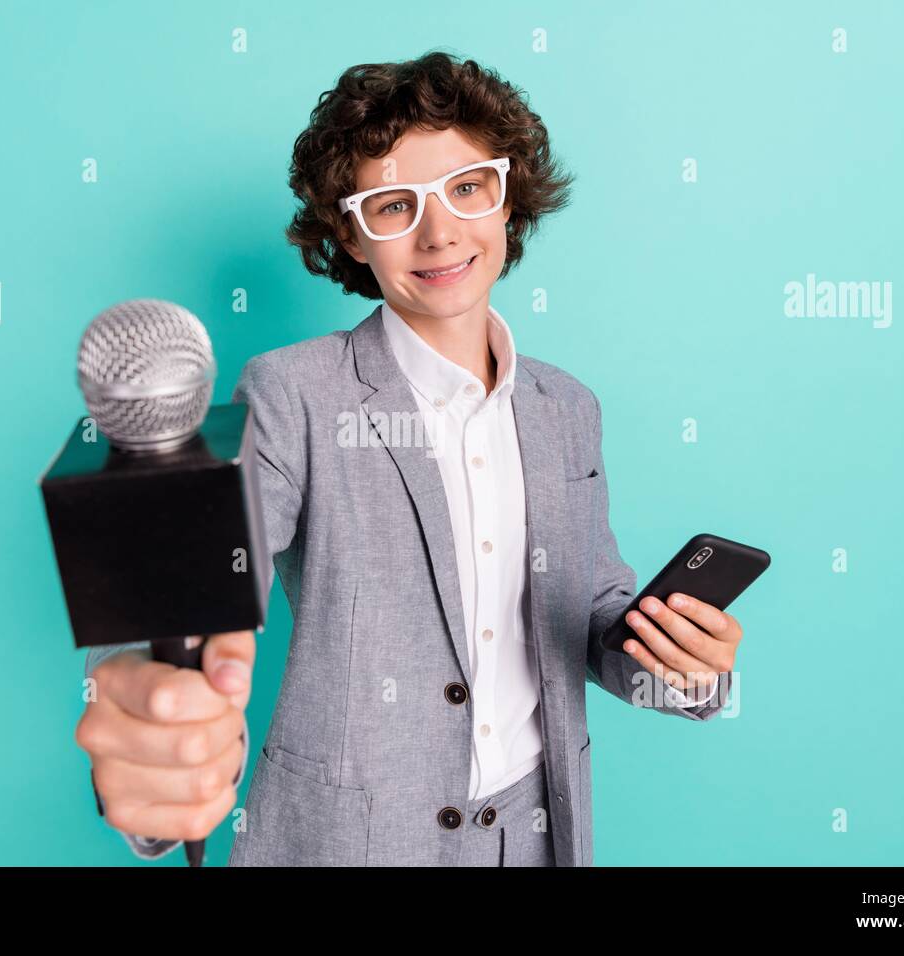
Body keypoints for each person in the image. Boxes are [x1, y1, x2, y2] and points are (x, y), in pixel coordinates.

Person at [75, 50, 743, 866]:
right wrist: (156, 718)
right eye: (394, 205)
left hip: (538, 837)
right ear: (351, 236)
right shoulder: (293, 393)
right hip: (351, 843)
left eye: (467, 189)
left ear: (507, 202)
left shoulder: (568, 409)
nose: (439, 232)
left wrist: (680, 667)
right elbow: (204, 579)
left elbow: (594, 617)